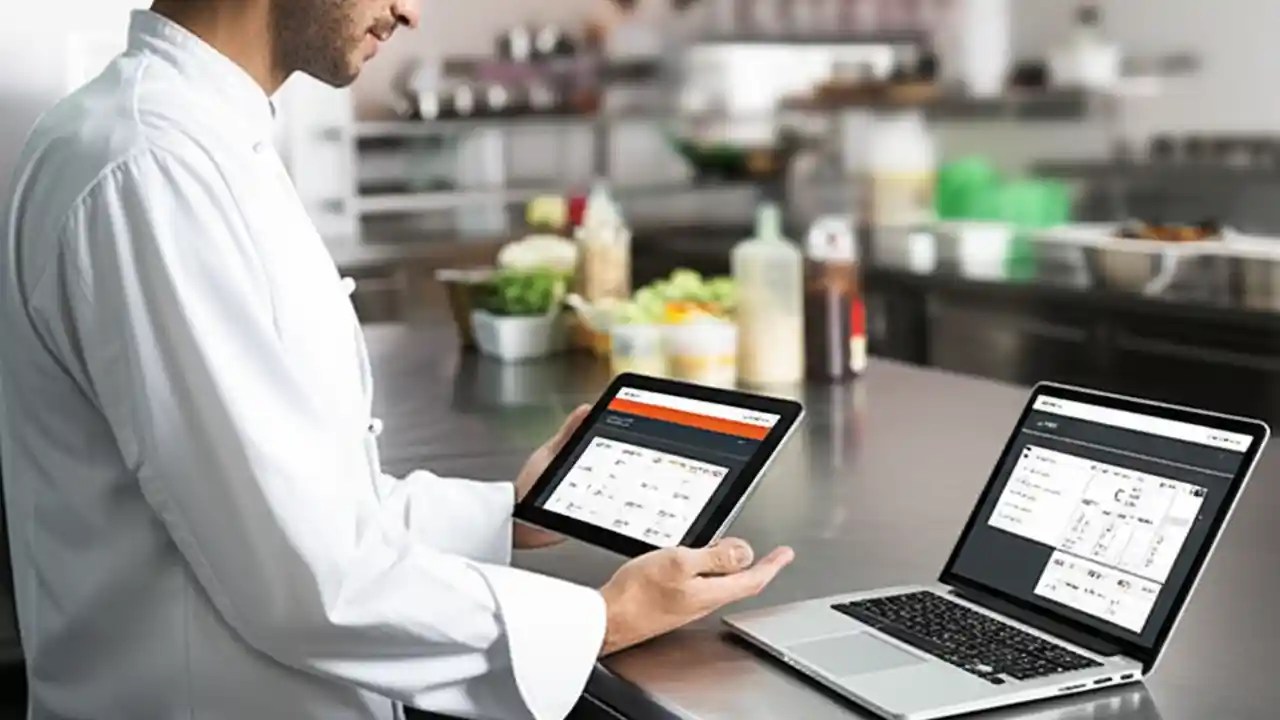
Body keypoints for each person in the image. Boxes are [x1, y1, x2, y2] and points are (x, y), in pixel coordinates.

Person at [0, 1, 795, 719]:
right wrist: (604, 619)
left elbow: (290, 491)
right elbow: (302, 580)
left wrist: (506, 515)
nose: (410, 12)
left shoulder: (189, 138)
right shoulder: (153, 169)